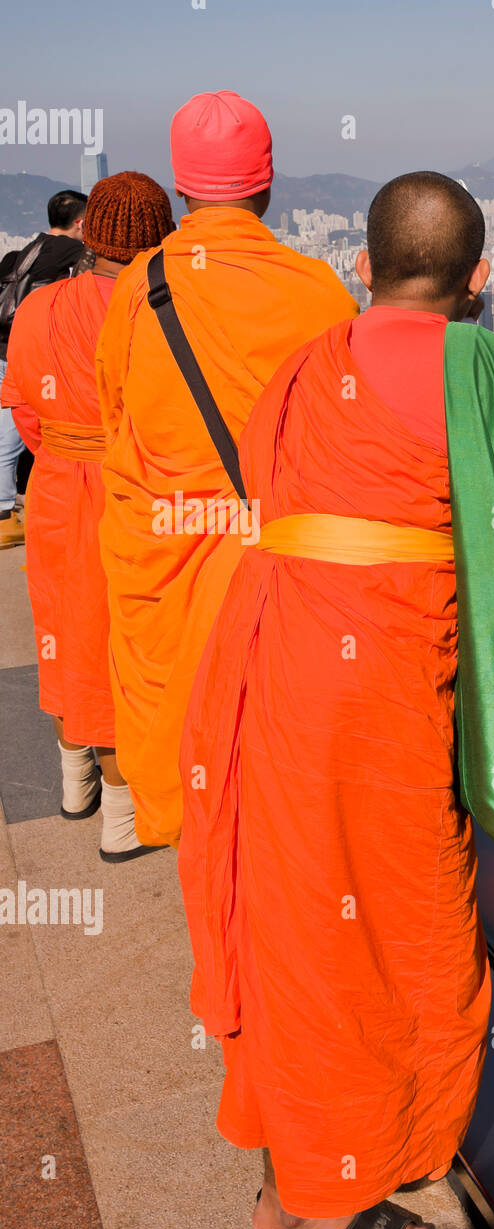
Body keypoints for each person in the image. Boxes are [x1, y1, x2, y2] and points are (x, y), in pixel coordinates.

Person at [178, 171, 494, 1229]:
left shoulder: (310, 360)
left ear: (362, 266)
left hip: (267, 648)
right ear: (478, 280)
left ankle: (309, 1173)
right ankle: (308, 1202)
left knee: (288, 916)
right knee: (374, 934)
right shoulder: (481, 366)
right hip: (370, 682)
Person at [95, 91, 357, 849]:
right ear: (268, 190)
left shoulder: (139, 290)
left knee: (180, 733)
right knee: (278, 754)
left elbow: (118, 420)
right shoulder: (319, 291)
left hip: (168, 550)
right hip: (281, 553)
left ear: (182, 190)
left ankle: (194, 838)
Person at [1, 174, 174, 860]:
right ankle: (123, 809)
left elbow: (23, 407)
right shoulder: (155, 308)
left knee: (64, 629)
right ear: (157, 237)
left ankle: (75, 781)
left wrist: (64, 455)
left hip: (55, 489)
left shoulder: (41, 305)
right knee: (122, 641)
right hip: (131, 490)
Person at [0, 189, 88, 549]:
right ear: (81, 223)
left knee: (11, 426)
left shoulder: (19, 254)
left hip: (4, 348)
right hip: (40, 354)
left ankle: (13, 502)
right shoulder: (79, 257)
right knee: (18, 433)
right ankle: (5, 511)